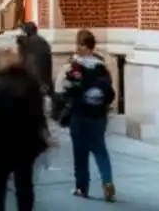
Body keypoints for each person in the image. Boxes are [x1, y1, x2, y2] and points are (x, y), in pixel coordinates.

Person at [0, 48, 47, 211]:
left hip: (0, 144)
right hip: (26, 142)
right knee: (24, 186)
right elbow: (38, 113)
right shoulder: (32, 82)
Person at [61, 29, 116, 201]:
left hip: (80, 115)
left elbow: (69, 89)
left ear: (83, 45)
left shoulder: (76, 66)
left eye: (79, 44)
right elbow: (109, 93)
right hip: (98, 116)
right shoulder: (102, 67)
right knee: (101, 151)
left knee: (80, 153)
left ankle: (81, 187)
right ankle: (108, 186)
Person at [17, 22, 53, 99]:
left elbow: (30, 64)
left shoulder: (28, 43)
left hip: (33, 83)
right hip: (44, 83)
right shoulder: (43, 42)